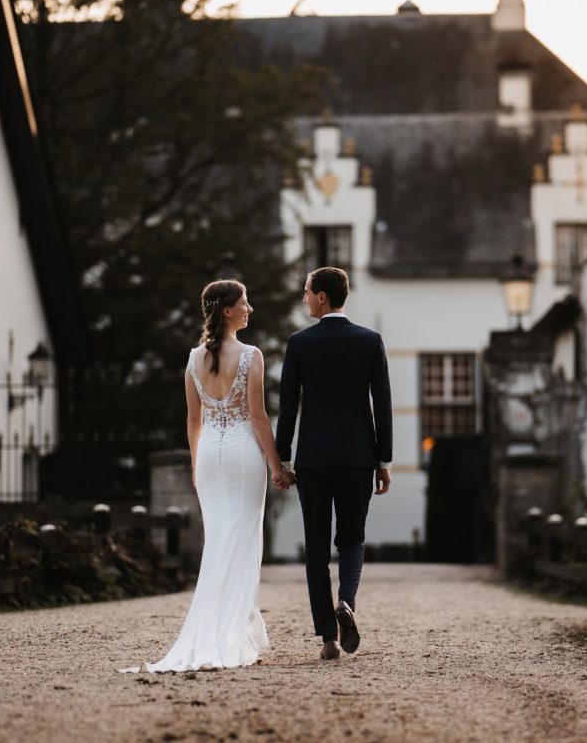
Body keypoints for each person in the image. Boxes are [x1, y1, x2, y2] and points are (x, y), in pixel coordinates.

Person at [123, 279, 294, 673]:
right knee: (242, 541)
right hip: (242, 454)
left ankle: (225, 630)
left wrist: (196, 464)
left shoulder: (192, 359)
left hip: (210, 460)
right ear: (229, 310)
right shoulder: (251, 355)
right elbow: (257, 416)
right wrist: (277, 466)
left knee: (218, 541)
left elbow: (193, 420)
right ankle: (230, 634)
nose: (250, 308)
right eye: (245, 303)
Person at [275, 267, 393, 660]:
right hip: (358, 457)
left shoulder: (300, 344)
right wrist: (383, 460)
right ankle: (346, 602)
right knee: (353, 539)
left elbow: (288, 407)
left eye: (308, 292)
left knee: (316, 549)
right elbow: (383, 405)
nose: (305, 298)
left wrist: (283, 459)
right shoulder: (370, 341)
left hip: (313, 460)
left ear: (322, 296)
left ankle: (328, 638)